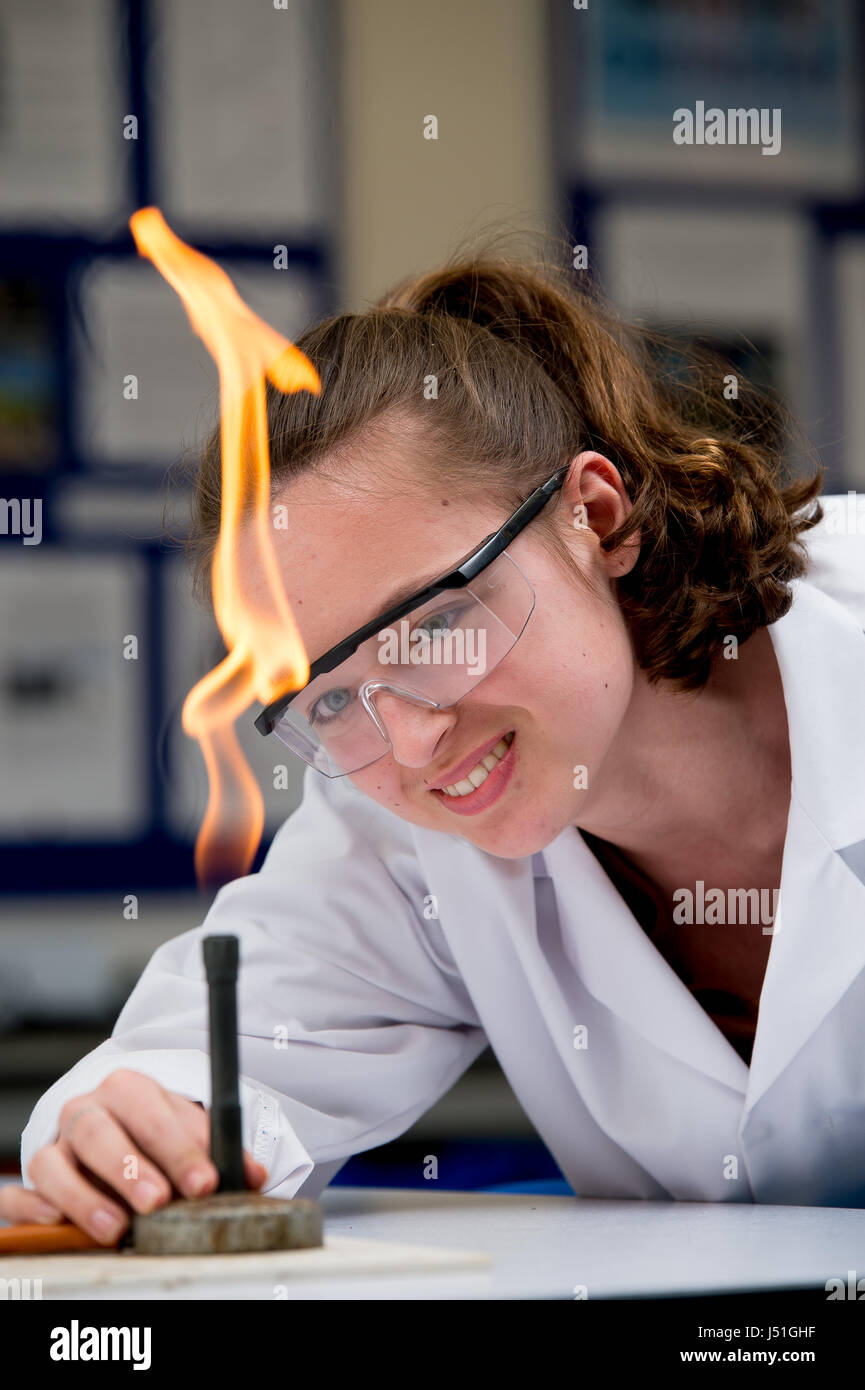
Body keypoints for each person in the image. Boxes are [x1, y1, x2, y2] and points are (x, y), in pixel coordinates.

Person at [6, 243, 865, 1245]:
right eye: (327, 702)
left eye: (431, 628)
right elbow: (219, 1056)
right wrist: (144, 1133)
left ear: (594, 514)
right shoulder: (402, 832)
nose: (409, 740)